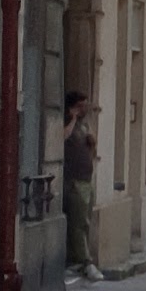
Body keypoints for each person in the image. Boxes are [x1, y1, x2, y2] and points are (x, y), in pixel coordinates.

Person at [61, 88, 97, 280]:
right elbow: (62, 137)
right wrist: (72, 119)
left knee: (85, 221)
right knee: (78, 222)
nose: (84, 109)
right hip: (73, 179)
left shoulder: (84, 124)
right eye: (80, 106)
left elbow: (90, 144)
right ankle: (83, 261)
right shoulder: (68, 121)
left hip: (86, 178)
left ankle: (79, 259)